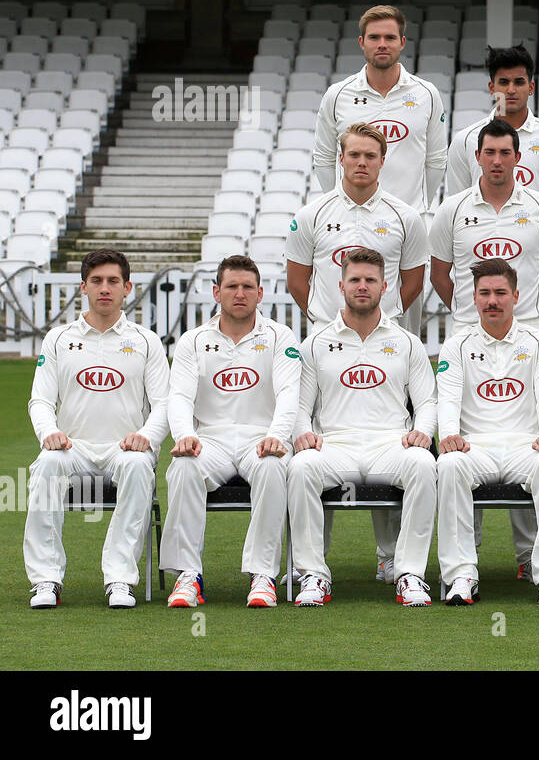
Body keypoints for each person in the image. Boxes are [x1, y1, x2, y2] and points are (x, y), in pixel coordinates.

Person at [286, 249, 438, 607]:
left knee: (423, 463)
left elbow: (428, 401)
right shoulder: (317, 343)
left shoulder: (406, 342)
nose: (362, 286)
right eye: (354, 279)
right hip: (335, 445)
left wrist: (424, 432)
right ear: (341, 285)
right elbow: (299, 407)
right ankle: (313, 575)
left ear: (385, 286)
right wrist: (301, 434)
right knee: (301, 466)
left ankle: (409, 572)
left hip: (390, 444)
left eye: (370, 280)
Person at [25, 249, 170, 610]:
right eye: (97, 281)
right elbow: (40, 400)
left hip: (126, 448)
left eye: (113, 281)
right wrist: (49, 433)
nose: (105, 289)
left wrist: (147, 438)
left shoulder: (146, 341)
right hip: (74, 447)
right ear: (83, 288)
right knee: (45, 465)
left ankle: (120, 579)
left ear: (127, 288)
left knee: (138, 466)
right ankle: (46, 579)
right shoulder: (58, 339)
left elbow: (165, 403)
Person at [161, 255, 301, 609]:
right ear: (216, 292)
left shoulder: (279, 336)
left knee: (273, 467)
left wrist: (278, 436)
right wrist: (184, 436)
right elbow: (178, 396)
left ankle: (263, 576)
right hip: (211, 439)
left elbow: (288, 394)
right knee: (183, 467)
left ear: (260, 294)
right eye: (232, 287)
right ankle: (188, 575)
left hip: (261, 437)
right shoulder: (193, 340)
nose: (240, 294)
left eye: (247, 287)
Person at [435, 259, 539, 606]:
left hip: (526, 446)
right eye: (484, 293)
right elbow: (447, 396)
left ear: (516, 296)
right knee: (448, 465)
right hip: (475, 447)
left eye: (500, 293)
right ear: (474, 298)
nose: (492, 301)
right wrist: (449, 434)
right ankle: (461, 575)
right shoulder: (457, 344)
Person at [429, 119, 539, 335]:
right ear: (477, 157)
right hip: (468, 328)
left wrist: (528, 310)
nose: (496, 161)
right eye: (489, 152)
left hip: (528, 326)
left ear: (517, 158)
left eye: (505, 153)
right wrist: (468, 312)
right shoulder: (451, 208)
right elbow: (438, 275)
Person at [287, 122, 429, 331]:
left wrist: (387, 317)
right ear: (341, 159)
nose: (362, 162)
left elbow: (414, 283)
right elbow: (296, 282)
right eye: (354, 155)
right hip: (327, 335)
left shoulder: (407, 218)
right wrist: (323, 320)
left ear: (381, 161)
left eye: (370, 156)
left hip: (385, 335)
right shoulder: (310, 216)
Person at [312, 4, 447, 219]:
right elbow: (324, 158)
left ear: (402, 43)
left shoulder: (427, 94)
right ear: (362, 42)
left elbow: (437, 160)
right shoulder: (337, 94)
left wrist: (416, 208)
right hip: (351, 218)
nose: (382, 45)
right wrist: (341, 205)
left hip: (409, 218)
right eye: (374, 37)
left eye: (390, 38)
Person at [445, 43, 539, 217]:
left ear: (531, 88)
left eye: (519, 82)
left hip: (535, 242)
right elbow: (459, 204)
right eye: (504, 82)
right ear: (492, 88)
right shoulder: (464, 141)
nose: (511, 90)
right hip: (481, 241)